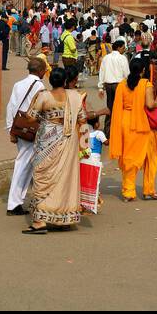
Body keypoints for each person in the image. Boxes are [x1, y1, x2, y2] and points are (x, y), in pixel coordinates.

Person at [23, 66, 92, 233]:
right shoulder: (75, 96)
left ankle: (40, 222)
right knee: (66, 178)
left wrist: (44, 117)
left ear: (50, 81)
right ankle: (64, 219)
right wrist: (85, 145)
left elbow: (30, 117)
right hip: (69, 141)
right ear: (65, 81)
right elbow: (83, 119)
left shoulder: (44, 97)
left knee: (41, 176)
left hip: (48, 141)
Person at [110, 56, 157, 201]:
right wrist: (156, 103)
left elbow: (117, 106)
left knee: (129, 158)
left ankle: (128, 192)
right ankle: (148, 190)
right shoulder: (145, 84)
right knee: (151, 157)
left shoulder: (122, 85)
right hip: (142, 125)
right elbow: (149, 104)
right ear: (143, 70)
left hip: (125, 123)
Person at [5, 56, 48, 216]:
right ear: (40, 70)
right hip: (32, 131)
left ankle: (18, 200)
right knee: (23, 166)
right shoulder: (40, 86)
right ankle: (14, 203)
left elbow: (11, 107)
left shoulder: (18, 84)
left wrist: (11, 129)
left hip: (19, 128)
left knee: (26, 165)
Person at [99, 38, 130, 134]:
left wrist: (100, 87)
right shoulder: (122, 58)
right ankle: (119, 130)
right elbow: (127, 73)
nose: (124, 49)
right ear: (119, 47)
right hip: (119, 85)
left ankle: (108, 131)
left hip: (108, 85)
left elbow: (102, 72)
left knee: (110, 107)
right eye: (123, 47)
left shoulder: (106, 58)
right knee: (120, 108)